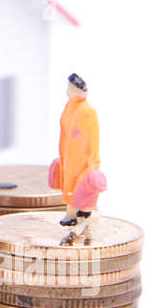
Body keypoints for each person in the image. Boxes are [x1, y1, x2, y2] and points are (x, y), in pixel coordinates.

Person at [54, 72, 102, 245]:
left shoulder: (87, 110)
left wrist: (93, 158)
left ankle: (74, 212)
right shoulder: (70, 106)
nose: (67, 92)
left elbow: (93, 136)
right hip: (70, 154)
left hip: (82, 156)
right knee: (70, 182)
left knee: (79, 183)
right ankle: (77, 210)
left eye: (69, 88)